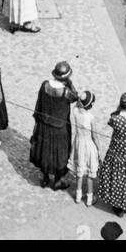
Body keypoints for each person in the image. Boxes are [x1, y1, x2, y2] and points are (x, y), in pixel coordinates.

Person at [30, 60, 77, 190]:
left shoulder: (44, 85)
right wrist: (70, 82)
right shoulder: (66, 92)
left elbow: (39, 103)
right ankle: (58, 180)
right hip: (59, 128)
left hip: (44, 125)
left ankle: (45, 177)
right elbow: (75, 96)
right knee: (59, 153)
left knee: (44, 150)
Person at [68, 89, 100, 205]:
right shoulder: (90, 117)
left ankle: (78, 195)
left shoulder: (75, 111)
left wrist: (80, 96)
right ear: (90, 105)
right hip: (89, 145)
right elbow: (94, 135)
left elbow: (77, 104)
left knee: (79, 171)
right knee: (91, 174)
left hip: (78, 143)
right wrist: (98, 147)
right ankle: (90, 198)